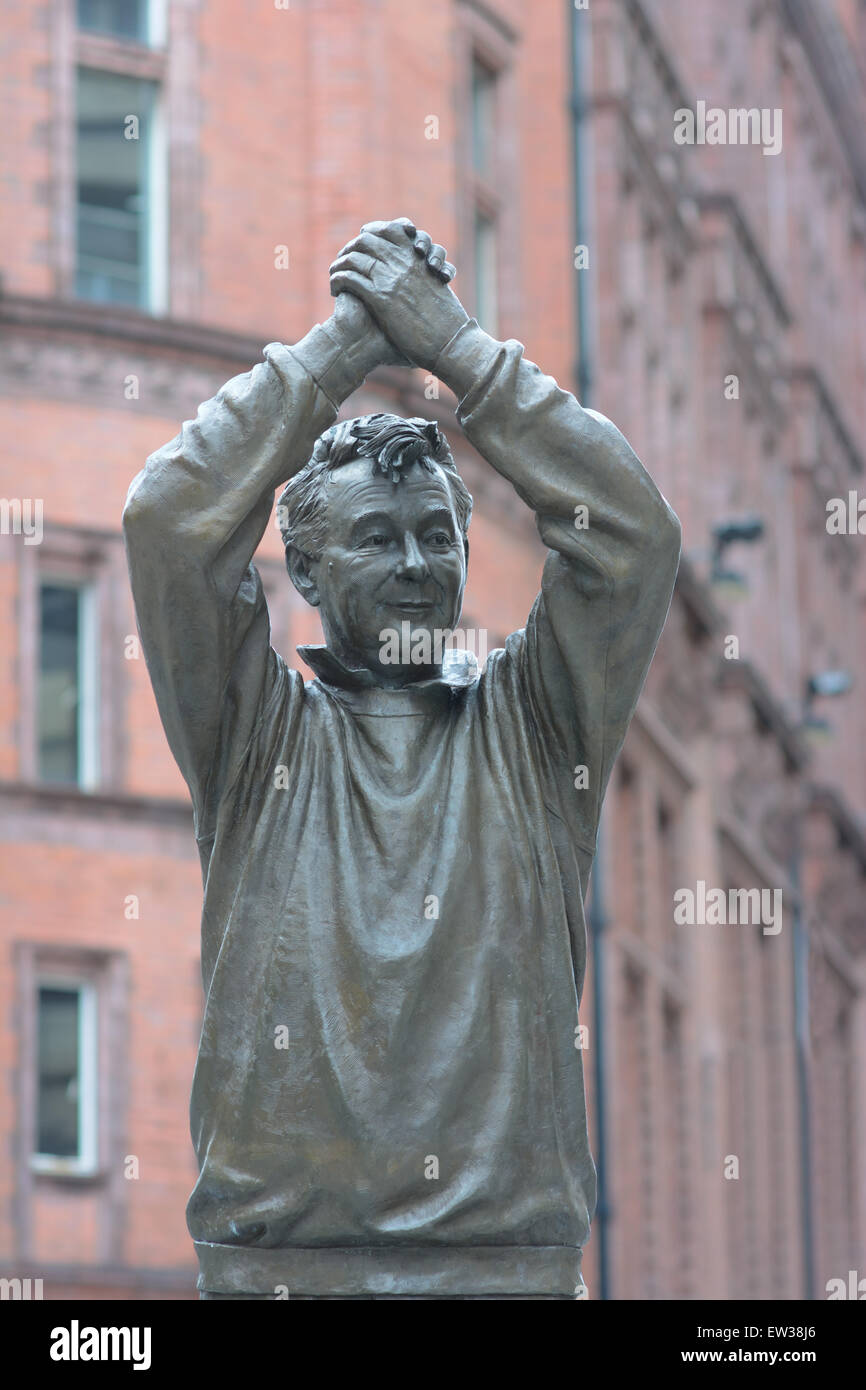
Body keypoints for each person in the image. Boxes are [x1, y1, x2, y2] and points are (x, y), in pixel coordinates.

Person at [122, 217, 681, 1300]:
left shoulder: (538, 724)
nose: (418, 561)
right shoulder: (252, 735)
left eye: (437, 534)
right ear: (311, 572)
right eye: (378, 538)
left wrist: (455, 348)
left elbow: (631, 537)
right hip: (276, 1272)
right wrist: (346, 346)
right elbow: (170, 522)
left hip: (504, 1273)